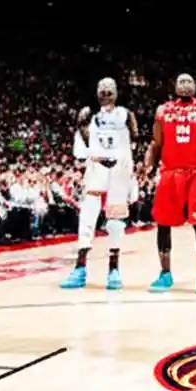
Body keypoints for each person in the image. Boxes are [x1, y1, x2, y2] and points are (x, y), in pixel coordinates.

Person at [146, 73, 196, 294]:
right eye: (182, 81)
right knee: (163, 222)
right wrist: (149, 164)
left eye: (190, 81)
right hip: (170, 173)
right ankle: (165, 273)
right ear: (175, 86)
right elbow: (156, 142)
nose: (186, 84)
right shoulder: (163, 110)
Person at [60, 77, 139, 290]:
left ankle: (114, 269)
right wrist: (84, 135)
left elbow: (134, 141)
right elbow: (79, 155)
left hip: (118, 173)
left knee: (115, 224)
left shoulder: (125, 115)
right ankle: (80, 268)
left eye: (109, 88)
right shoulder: (88, 118)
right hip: (96, 172)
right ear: (96, 93)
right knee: (86, 221)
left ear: (116, 92)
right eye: (101, 88)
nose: (105, 91)